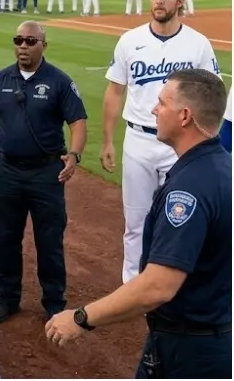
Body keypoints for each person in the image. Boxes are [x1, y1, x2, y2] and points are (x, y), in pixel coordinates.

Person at [45, 69, 229, 378]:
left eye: (161, 103)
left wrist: (81, 318)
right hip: (214, 334)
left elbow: (157, 286)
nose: (154, 110)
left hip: (187, 351)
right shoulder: (223, 167)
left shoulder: (188, 190)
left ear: (184, 115)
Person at [0, 21, 88, 323]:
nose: (23, 46)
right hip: (9, 172)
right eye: (18, 41)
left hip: (46, 173)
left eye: (30, 41)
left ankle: (54, 302)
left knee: (49, 240)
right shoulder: (1, 80)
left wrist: (75, 155)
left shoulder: (59, 81)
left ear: (43, 45)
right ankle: (7, 299)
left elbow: (78, 121)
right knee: (6, 237)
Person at [100, 0, 221, 284]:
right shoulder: (130, 41)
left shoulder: (198, 44)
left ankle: (178, 282)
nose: (158, 0)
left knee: (183, 217)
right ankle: (132, 283)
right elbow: (115, 91)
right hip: (138, 140)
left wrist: (206, 143)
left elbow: (212, 96)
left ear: (179, 2)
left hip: (181, 145)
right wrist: (108, 141)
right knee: (136, 220)